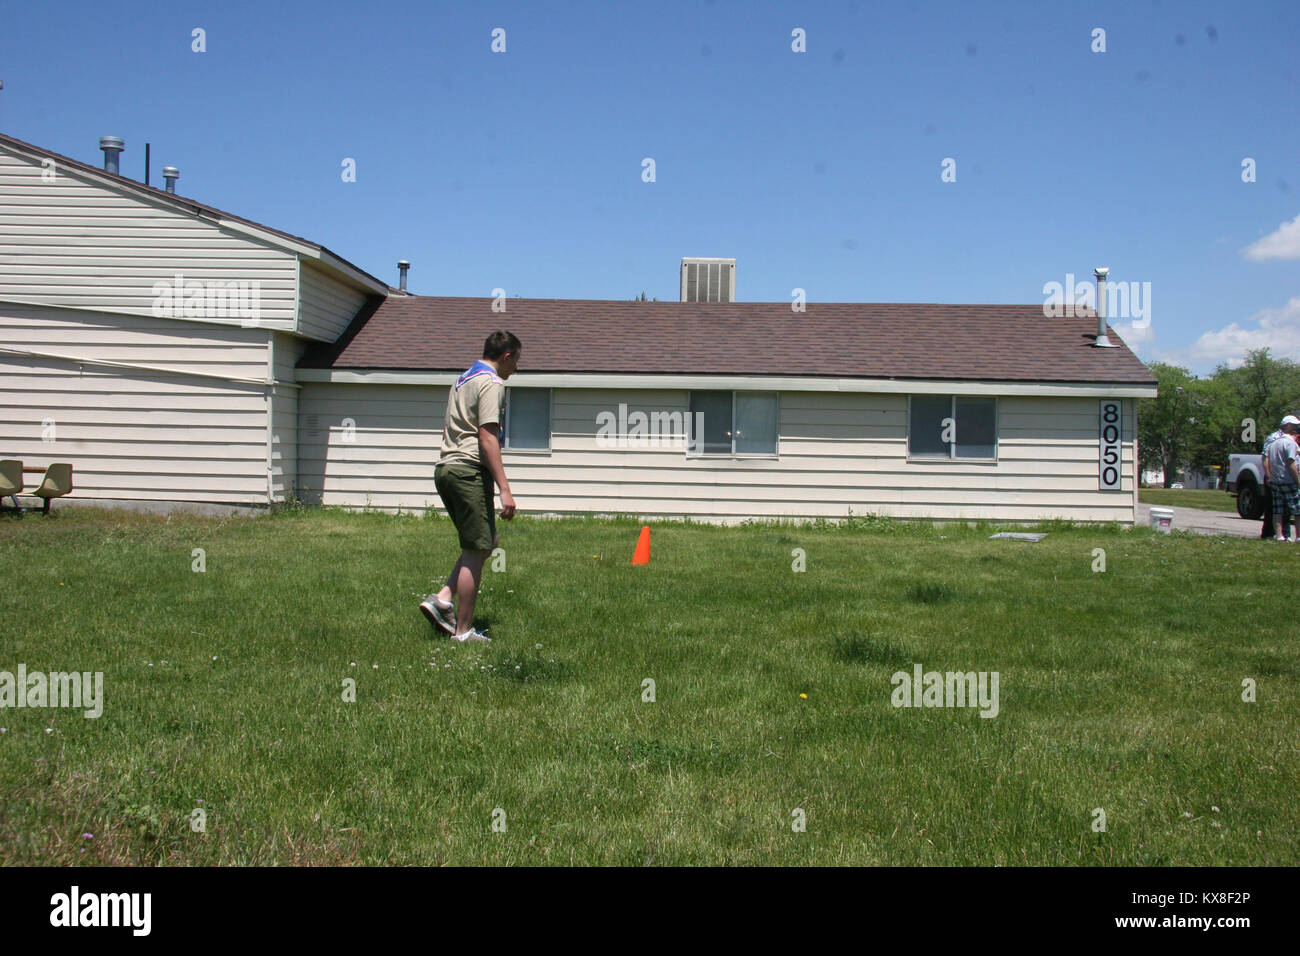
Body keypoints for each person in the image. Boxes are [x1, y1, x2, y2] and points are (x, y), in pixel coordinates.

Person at [420, 331, 520, 641]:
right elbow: (487, 436)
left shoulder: (462, 379)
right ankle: (463, 632)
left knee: (486, 541)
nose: (516, 368)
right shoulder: (491, 383)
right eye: (516, 361)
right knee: (477, 550)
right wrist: (505, 488)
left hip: (447, 469)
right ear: (505, 357)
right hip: (467, 471)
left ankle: (443, 599)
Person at [1261, 415, 1300, 539]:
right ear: (1288, 426)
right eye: (1294, 425)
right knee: (1294, 509)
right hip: (1285, 478)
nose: (1297, 428)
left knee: (1279, 509)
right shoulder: (1276, 439)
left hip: (1277, 479)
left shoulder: (1278, 442)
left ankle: (1281, 535)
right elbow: (1266, 458)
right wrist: (1268, 476)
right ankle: (1272, 534)